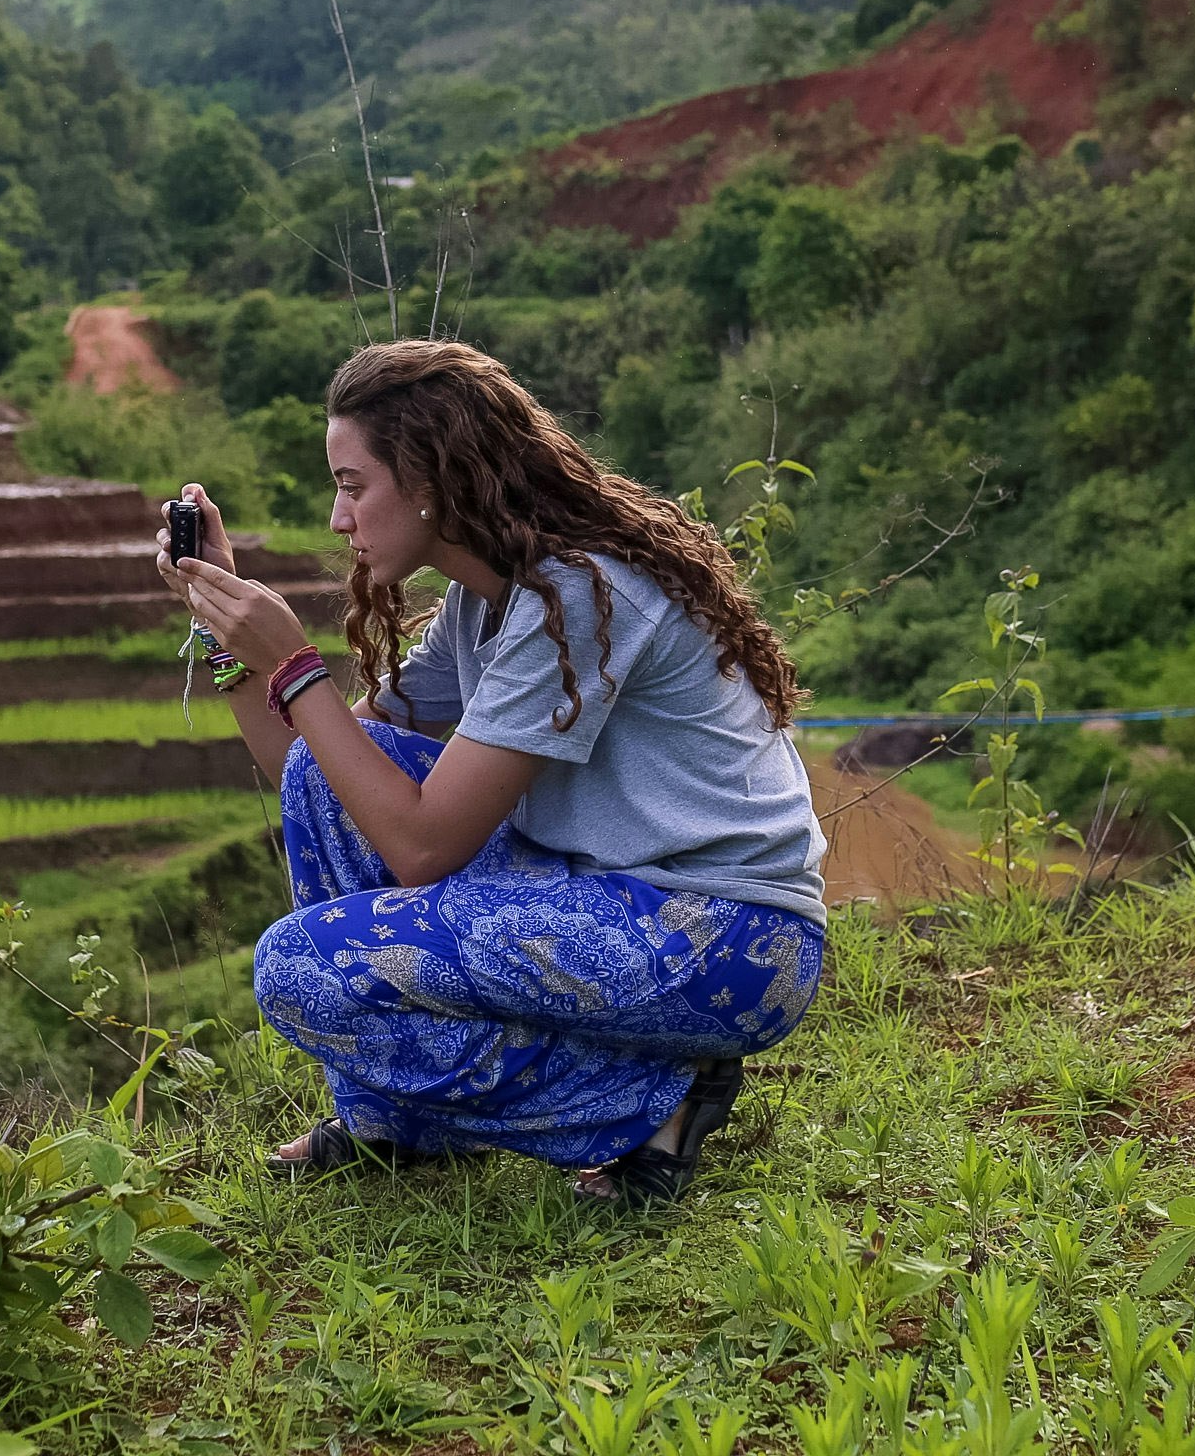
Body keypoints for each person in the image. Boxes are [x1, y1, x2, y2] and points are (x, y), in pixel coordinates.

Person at [156, 340, 827, 1204]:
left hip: (727, 940)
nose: (337, 518)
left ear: (433, 483)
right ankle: (396, 1122)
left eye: (353, 486)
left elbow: (425, 849)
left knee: (296, 969)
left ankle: (656, 1102)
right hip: (608, 901)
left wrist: (296, 666)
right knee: (329, 779)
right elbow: (313, 765)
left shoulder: (583, 597)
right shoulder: (488, 602)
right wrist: (226, 626)